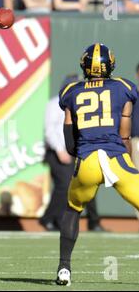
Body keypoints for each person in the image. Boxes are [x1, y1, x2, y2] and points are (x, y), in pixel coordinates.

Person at [56, 43, 139, 286]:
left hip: (87, 159)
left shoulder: (71, 91)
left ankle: (64, 268)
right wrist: (128, 161)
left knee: (73, 209)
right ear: (110, 64)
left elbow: (69, 139)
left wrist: (80, 155)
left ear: (84, 65)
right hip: (116, 157)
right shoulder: (124, 88)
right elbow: (125, 132)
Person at [41, 74, 104, 232]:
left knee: (89, 182)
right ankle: (49, 218)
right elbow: (49, 131)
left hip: (78, 151)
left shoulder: (82, 103)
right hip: (58, 152)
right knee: (64, 186)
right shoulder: (55, 103)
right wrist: (60, 150)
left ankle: (93, 221)